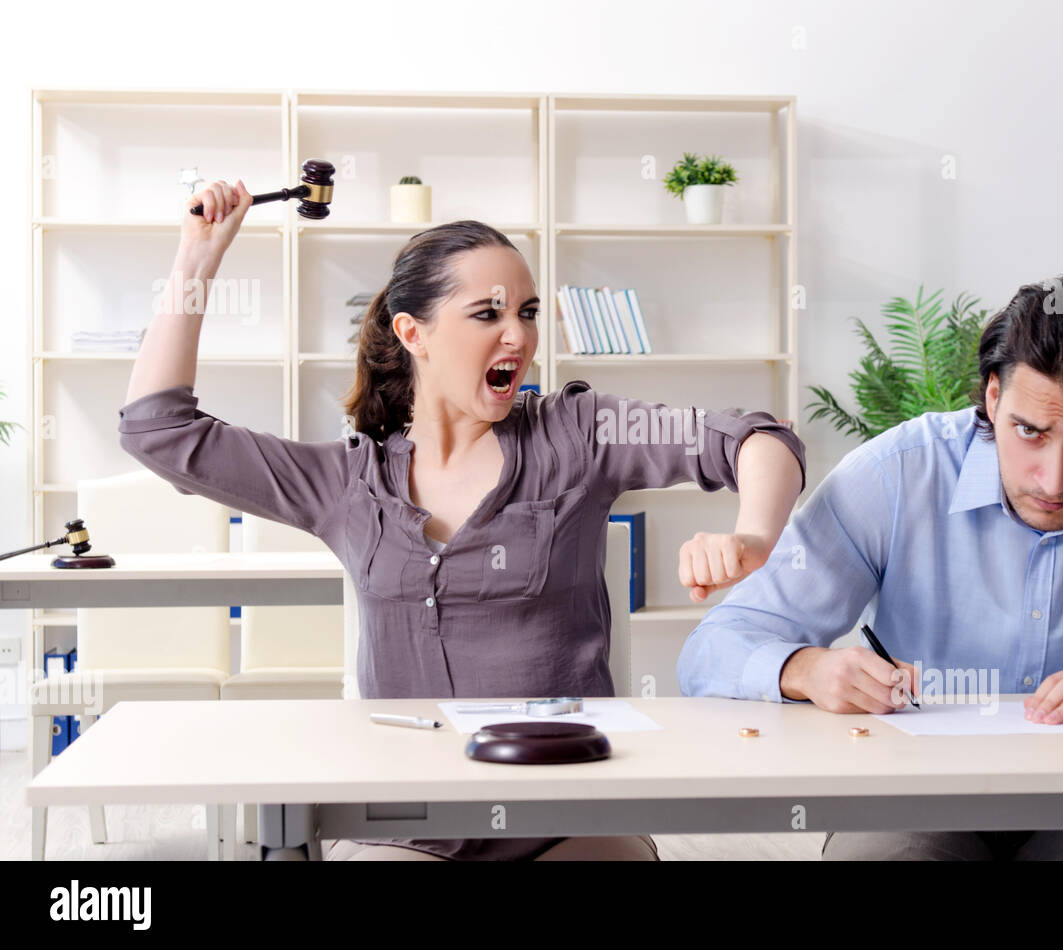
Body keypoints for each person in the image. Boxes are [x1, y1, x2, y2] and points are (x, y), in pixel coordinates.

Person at [119, 179, 806, 861]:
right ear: (413, 333)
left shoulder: (580, 433)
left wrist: (751, 535)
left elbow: (758, 437)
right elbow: (160, 432)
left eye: (529, 313)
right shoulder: (343, 481)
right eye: (489, 315)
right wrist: (195, 262)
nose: (520, 336)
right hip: (407, 825)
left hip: (564, 817)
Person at [678, 271, 1063, 861]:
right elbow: (717, 646)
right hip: (909, 792)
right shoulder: (897, 473)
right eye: (1028, 431)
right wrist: (807, 668)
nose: (1052, 479)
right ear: (993, 397)